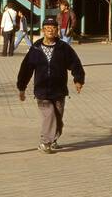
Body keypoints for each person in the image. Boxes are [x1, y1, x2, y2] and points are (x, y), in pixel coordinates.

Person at [16, 17, 85, 153]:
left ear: (57, 30)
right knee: (49, 115)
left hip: (58, 90)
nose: (50, 30)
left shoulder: (63, 48)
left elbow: (75, 63)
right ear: (43, 30)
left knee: (58, 118)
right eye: (47, 28)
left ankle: (53, 140)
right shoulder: (36, 48)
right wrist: (21, 87)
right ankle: (45, 142)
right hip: (41, 90)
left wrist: (78, 80)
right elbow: (26, 68)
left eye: (53, 28)